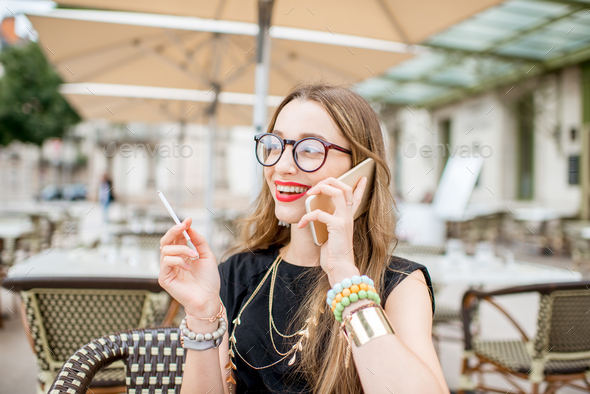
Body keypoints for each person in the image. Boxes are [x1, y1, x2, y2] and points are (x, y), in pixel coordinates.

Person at [159, 83, 449, 394]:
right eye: (275, 145)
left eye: (309, 149)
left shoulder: (400, 284)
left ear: (360, 169)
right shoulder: (237, 273)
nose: (282, 166)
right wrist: (203, 316)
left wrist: (345, 276)